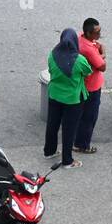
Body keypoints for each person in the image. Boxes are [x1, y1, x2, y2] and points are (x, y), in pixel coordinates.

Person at [44, 28, 92, 170]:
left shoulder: (52, 55)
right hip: (72, 99)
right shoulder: (79, 60)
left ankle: (49, 151)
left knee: (52, 124)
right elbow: (87, 72)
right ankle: (67, 160)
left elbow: (51, 70)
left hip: (54, 95)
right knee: (69, 129)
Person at [75, 17, 106, 154]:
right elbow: (102, 66)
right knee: (89, 117)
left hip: (83, 85)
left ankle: (77, 139)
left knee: (81, 114)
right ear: (88, 33)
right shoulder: (88, 49)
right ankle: (82, 145)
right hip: (92, 87)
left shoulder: (80, 39)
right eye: (97, 32)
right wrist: (103, 53)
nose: (99, 35)